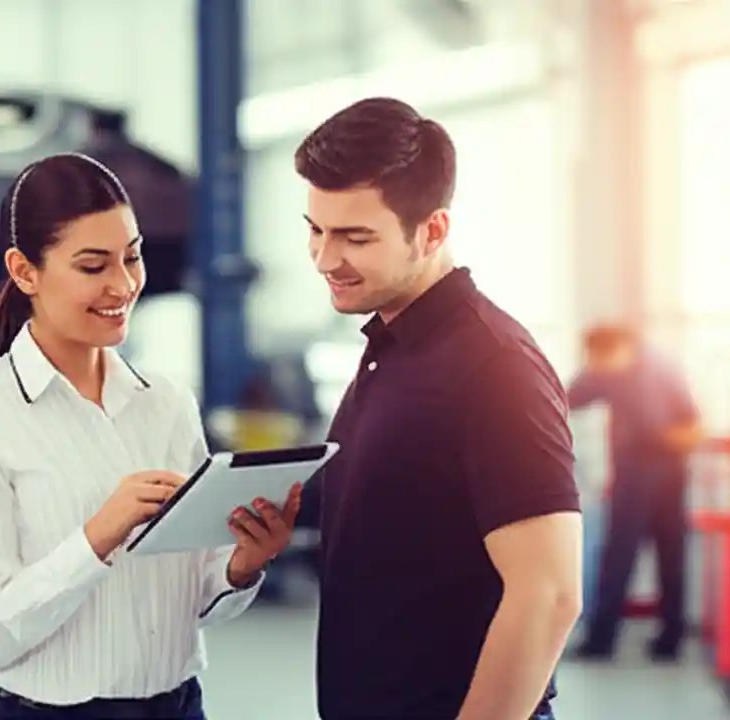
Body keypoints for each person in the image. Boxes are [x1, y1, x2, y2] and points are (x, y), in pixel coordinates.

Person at [0, 152, 302, 719]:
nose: (123, 284)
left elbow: (193, 599)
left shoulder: (167, 405)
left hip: (179, 708)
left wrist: (241, 566)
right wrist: (99, 534)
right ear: (25, 271)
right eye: (93, 265)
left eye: (132, 257)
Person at [296, 98, 584, 720]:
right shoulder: (390, 348)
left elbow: (550, 593)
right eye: (316, 230)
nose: (324, 258)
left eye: (355, 237)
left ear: (432, 230)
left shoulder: (494, 365)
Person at [567, 324, 703, 662]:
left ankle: (603, 642)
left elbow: (672, 426)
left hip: (649, 476)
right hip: (664, 475)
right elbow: (573, 394)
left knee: (621, 559)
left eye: (596, 359)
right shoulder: (631, 368)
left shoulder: (648, 373)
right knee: (668, 558)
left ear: (615, 349)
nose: (594, 366)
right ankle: (668, 641)